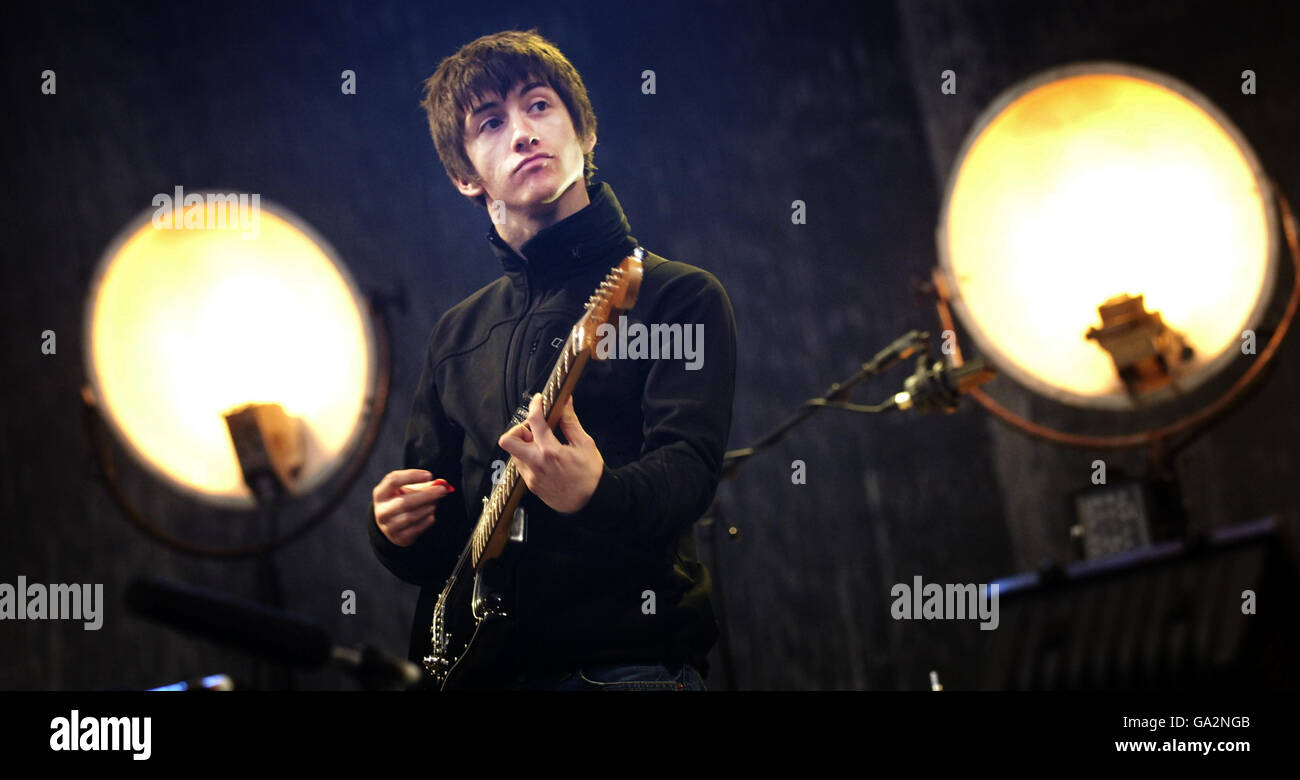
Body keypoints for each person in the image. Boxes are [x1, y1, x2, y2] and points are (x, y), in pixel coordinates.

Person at [367, 29, 737, 691]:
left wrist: (597, 494)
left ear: (585, 132)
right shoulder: (458, 333)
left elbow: (689, 474)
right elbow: (444, 531)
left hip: (627, 668)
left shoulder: (677, 294)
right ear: (464, 177)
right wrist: (395, 531)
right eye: (491, 122)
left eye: (539, 106)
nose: (523, 132)